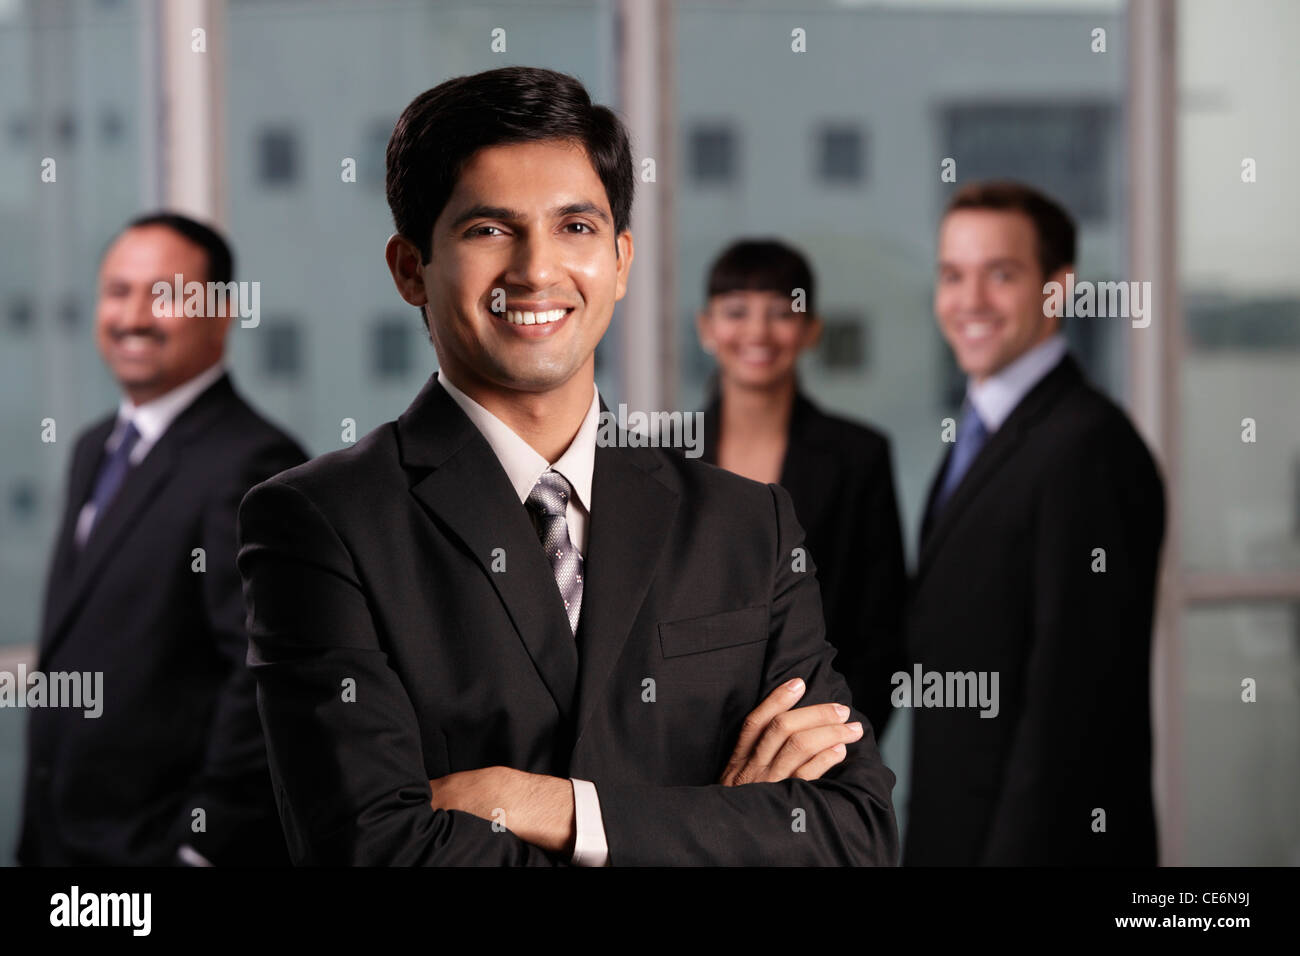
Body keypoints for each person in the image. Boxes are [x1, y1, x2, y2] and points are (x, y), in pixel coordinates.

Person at [236, 66, 898, 866]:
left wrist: (549, 806)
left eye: (575, 228)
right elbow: (376, 851)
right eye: (489, 230)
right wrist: (716, 826)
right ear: (411, 268)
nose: (537, 270)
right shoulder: (321, 524)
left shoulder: (747, 525)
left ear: (621, 260)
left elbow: (851, 834)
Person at [18, 213, 307, 866]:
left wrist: (200, 847)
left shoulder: (254, 461)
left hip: (158, 852)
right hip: (65, 842)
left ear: (221, 312)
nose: (133, 317)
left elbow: (269, 676)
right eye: (118, 291)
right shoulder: (96, 448)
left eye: (166, 294)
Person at [903, 181, 1165, 865]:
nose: (971, 301)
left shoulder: (1088, 449)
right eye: (953, 276)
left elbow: (1070, 711)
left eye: (1002, 275)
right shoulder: (985, 433)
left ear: (1059, 288)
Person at [695, 239, 906, 737]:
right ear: (707, 328)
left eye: (780, 312)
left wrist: (842, 746)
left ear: (811, 330)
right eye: (737, 311)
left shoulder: (860, 456)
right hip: (686, 748)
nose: (757, 332)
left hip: (818, 744)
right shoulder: (662, 459)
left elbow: (883, 628)